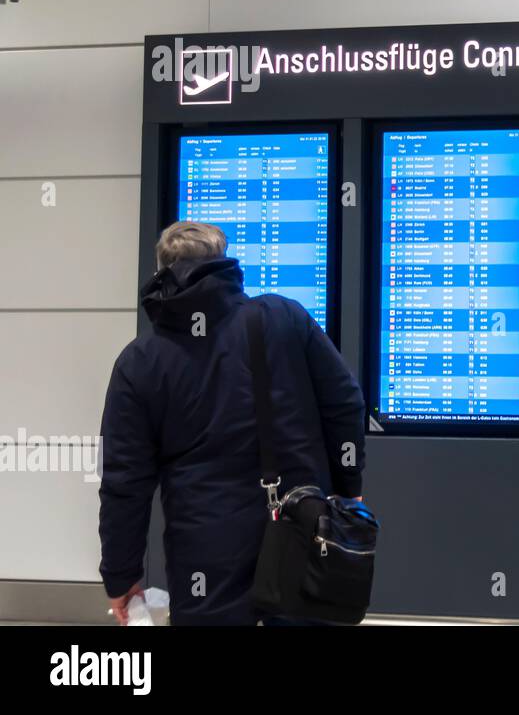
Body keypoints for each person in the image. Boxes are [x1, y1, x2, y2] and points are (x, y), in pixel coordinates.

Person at [98, 221, 366, 625]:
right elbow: (345, 402)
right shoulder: (283, 317)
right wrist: (348, 490)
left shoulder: (141, 361)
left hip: (205, 555)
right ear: (224, 261)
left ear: (161, 272)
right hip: (303, 526)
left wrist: (121, 575)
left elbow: (124, 481)